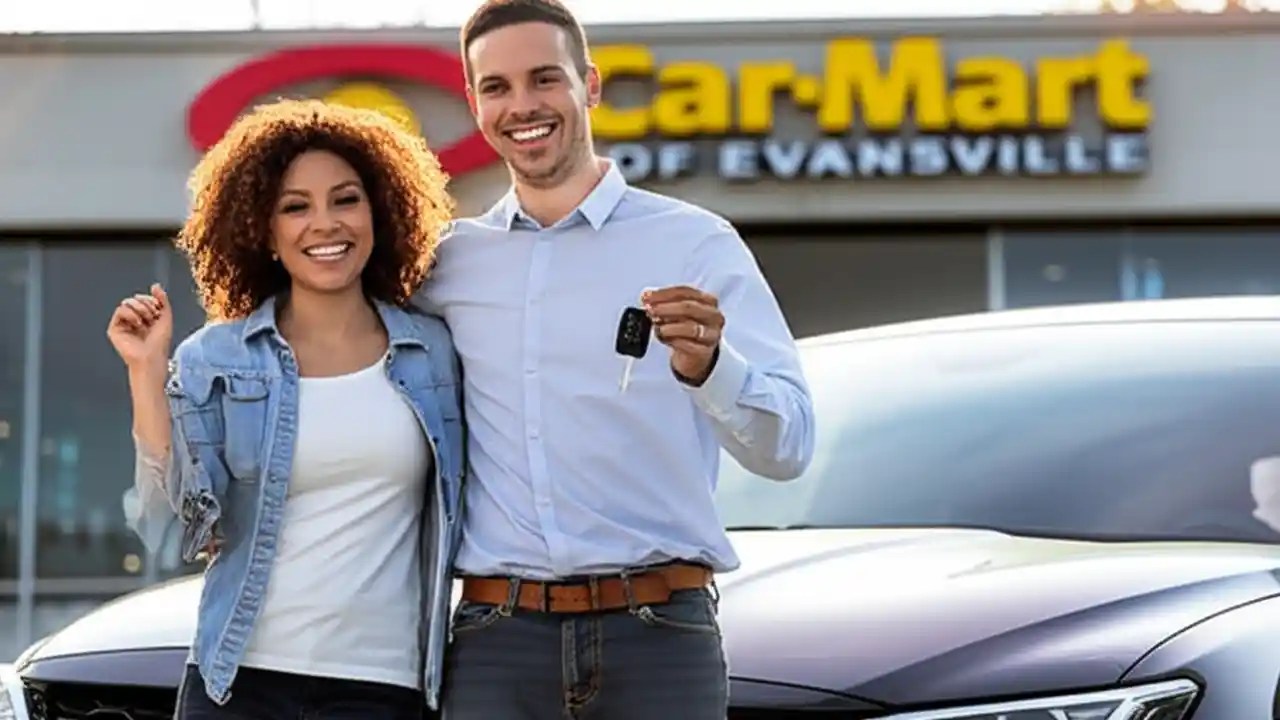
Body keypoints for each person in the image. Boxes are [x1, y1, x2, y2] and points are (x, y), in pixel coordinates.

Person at [418, 1, 816, 717]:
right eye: (498, 88)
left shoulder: (697, 244)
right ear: (475, 104)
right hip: (494, 641)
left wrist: (710, 368)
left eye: (545, 79)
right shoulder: (448, 266)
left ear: (589, 86)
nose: (524, 106)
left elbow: (787, 446)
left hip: (659, 637)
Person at [108, 98, 463, 719]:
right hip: (242, 682)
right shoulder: (216, 359)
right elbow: (165, 530)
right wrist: (146, 374)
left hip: (385, 687)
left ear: (378, 212)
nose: (324, 223)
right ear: (264, 232)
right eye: (295, 207)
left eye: (345, 199)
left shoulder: (433, 352)